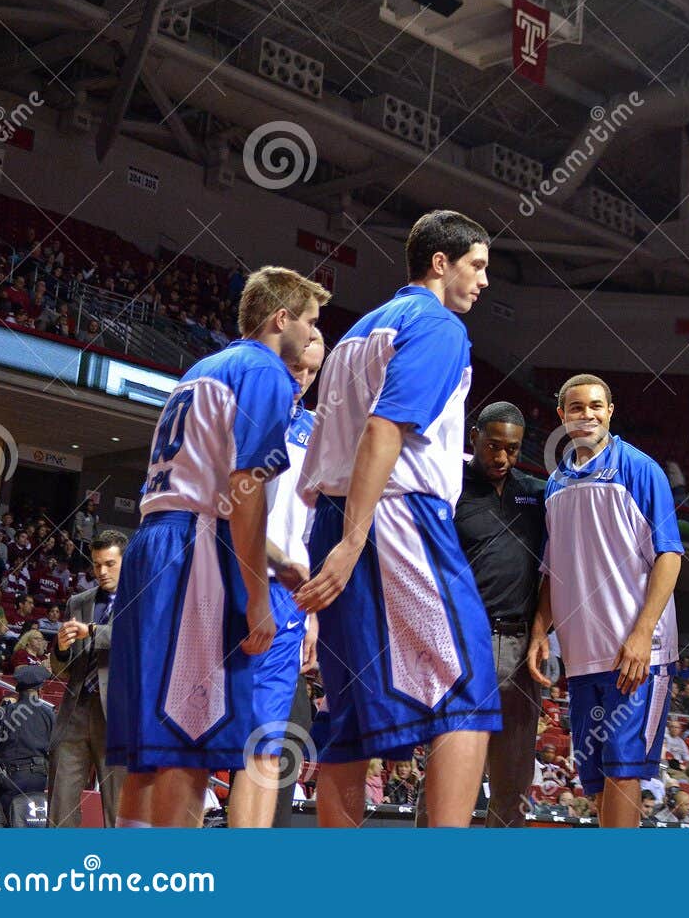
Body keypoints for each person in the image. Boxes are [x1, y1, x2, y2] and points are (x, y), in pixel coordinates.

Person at [295, 211, 499, 828]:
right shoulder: (437, 325)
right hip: (395, 518)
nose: (484, 282)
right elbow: (386, 428)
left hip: (333, 515)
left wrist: (342, 535)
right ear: (441, 263)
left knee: (350, 717)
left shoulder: (356, 332)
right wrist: (357, 538)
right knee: (468, 688)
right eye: (478, 266)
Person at [107, 267, 326, 828]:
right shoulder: (266, 373)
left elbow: (204, 481)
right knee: (192, 735)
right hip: (196, 550)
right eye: (310, 322)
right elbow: (242, 493)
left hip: (152, 542)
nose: (312, 336)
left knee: (146, 745)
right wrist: (258, 596)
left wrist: (280, 561)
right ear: (283, 319)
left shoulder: (202, 370)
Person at [529, 373, 682, 828]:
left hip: (635, 655)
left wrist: (642, 634)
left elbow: (669, 557)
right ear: (562, 417)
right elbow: (553, 571)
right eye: (576, 407)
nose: (587, 414)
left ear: (610, 411)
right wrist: (541, 629)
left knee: (623, 773)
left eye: (596, 406)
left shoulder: (639, 469)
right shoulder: (555, 484)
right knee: (596, 784)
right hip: (581, 659)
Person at [227, 333, 325, 829]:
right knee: (209, 740)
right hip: (232, 580)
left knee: (267, 743)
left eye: (312, 371)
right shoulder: (242, 412)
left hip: (289, 596)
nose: (301, 379)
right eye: (296, 366)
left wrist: (311, 613)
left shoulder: (317, 431)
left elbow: (311, 532)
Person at [453, 401, 548, 827]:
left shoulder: (536, 494)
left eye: (512, 449)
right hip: (461, 643)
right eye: (493, 446)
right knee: (451, 775)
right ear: (474, 436)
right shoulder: (448, 487)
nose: (502, 458)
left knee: (512, 784)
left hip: (520, 646)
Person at [47, 530, 126, 827]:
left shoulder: (143, 600)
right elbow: (62, 669)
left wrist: (91, 631)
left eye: (109, 564)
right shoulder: (78, 601)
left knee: (118, 807)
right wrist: (62, 649)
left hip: (118, 714)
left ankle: (123, 871)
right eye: (96, 565)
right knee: (60, 800)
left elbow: (135, 638)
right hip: (76, 707)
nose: (102, 572)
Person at [0, 664, 56, 817]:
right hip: (38, 781)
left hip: (8, 781)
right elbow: (57, 751)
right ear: (40, 691)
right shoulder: (49, 716)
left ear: (17, 691)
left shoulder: (6, 714)